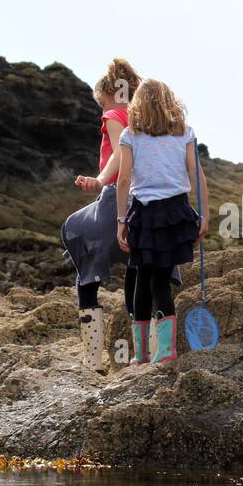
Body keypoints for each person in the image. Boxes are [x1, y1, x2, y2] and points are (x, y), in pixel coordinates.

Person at [116, 80, 209, 364]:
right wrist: (204, 213)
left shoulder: (130, 135)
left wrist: (121, 220)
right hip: (176, 213)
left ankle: (142, 354)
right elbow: (197, 175)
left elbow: (122, 180)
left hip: (144, 214)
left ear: (137, 105)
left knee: (142, 280)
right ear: (170, 102)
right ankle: (166, 351)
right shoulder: (185, 133)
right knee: (161, 282)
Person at [60, 57, 141, 373]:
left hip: (116, 196)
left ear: (107, 96)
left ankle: (93, 360)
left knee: (85, 261)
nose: (101, 110)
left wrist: (99, 178)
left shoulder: (113, 114)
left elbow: (120, 155)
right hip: (144, 199)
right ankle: (141, 353)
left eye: (100, 103)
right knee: (137, 270)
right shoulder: (142, 116)